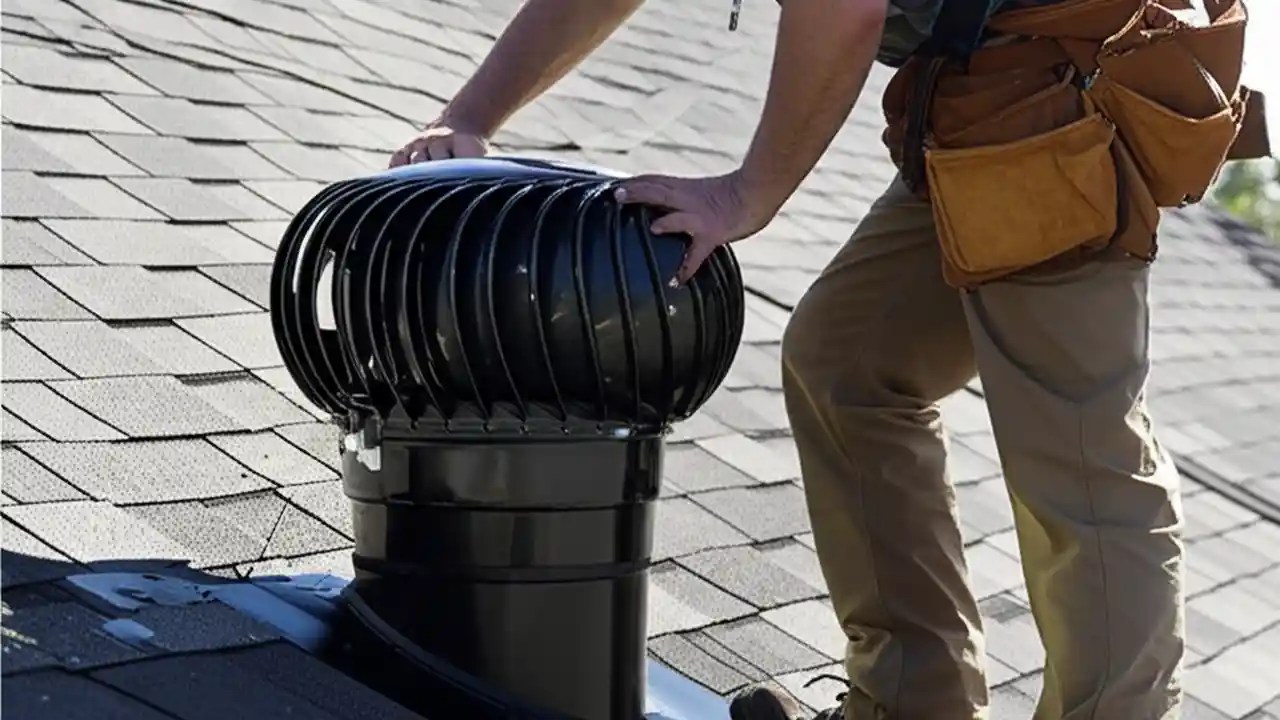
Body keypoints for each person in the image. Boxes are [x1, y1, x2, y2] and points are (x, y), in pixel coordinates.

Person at [391, 0, 1258, 717]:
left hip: (1061, 101)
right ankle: (912, 702)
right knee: (848, 364)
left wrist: (745, 194)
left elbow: (842, 8)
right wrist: (469, 116)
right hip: (980, 98)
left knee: (1080, 452)